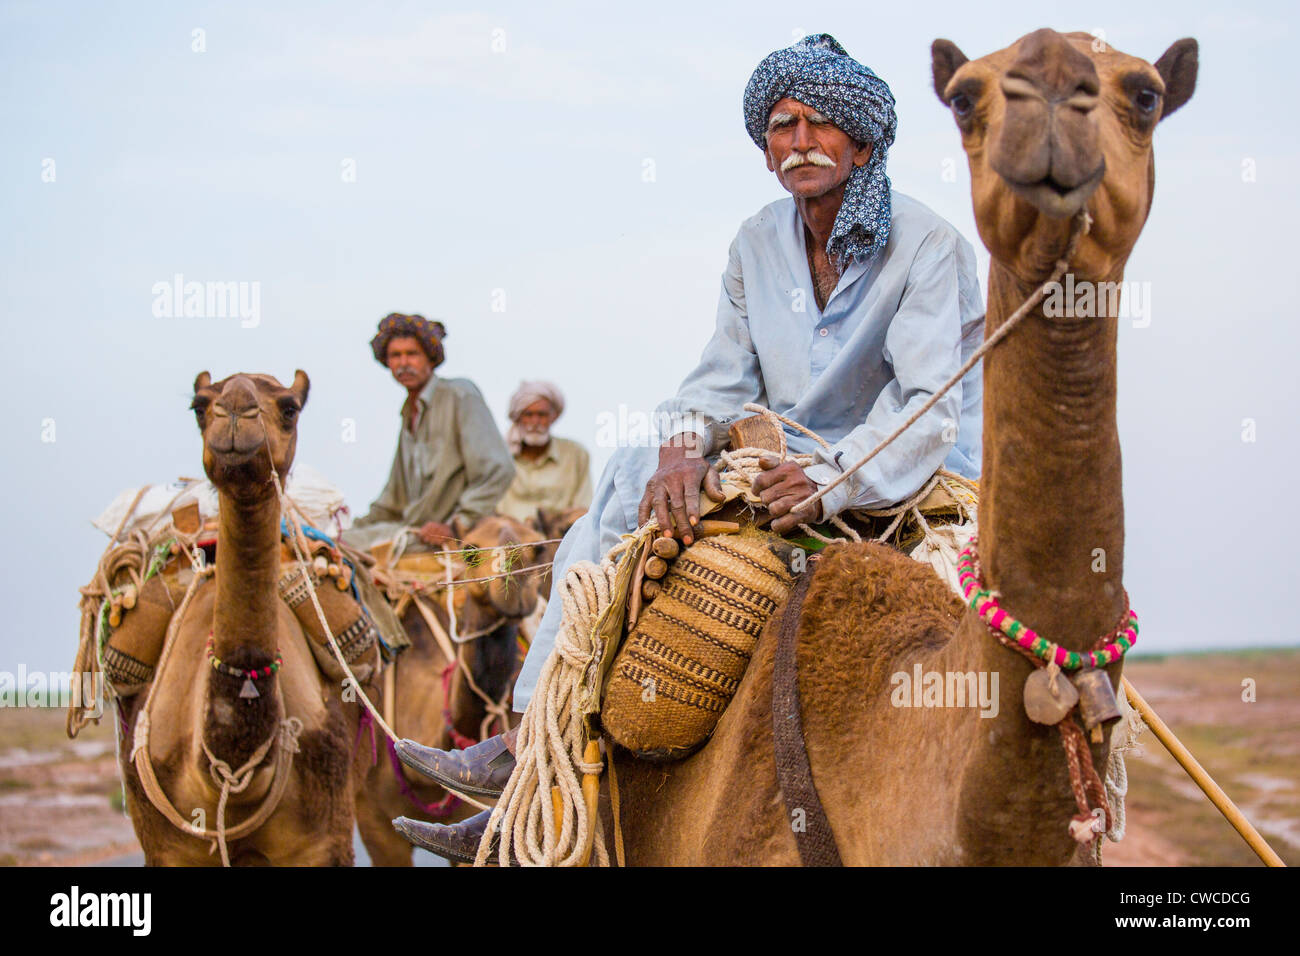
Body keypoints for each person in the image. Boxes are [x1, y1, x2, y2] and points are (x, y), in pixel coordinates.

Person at [391, 34, 985, 861]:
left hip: (903, 473)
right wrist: (679, 450)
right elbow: (717, 379)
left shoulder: (928, 247)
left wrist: (829, 479)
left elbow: (926, 406)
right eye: (782, 124)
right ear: (764, 145)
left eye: (821, 123)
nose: (801, 140)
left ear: (865, 142)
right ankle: (531, 750)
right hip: (775, 463)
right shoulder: (756, 243)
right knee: (634, 473)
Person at [345, 313, 515, 552]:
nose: (404, 363)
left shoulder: (459, 395)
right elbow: (392, 501)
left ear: (430, 358)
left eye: (412, 354)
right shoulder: (408, 415)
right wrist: (348, 526)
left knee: (347, 551)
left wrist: (456, 524)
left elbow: (499, 470)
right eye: (396, 355)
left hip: (445, 539)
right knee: (333, 541)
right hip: (409, 530)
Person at [495, 381, 593, 524]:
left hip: (559, 536)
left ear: (553, 417)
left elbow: (583, 508)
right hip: (508, 536)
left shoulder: (575, 455)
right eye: (529, 414)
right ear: (518, 417)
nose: (535, 422)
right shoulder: (499, 456)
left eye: (542, 415)